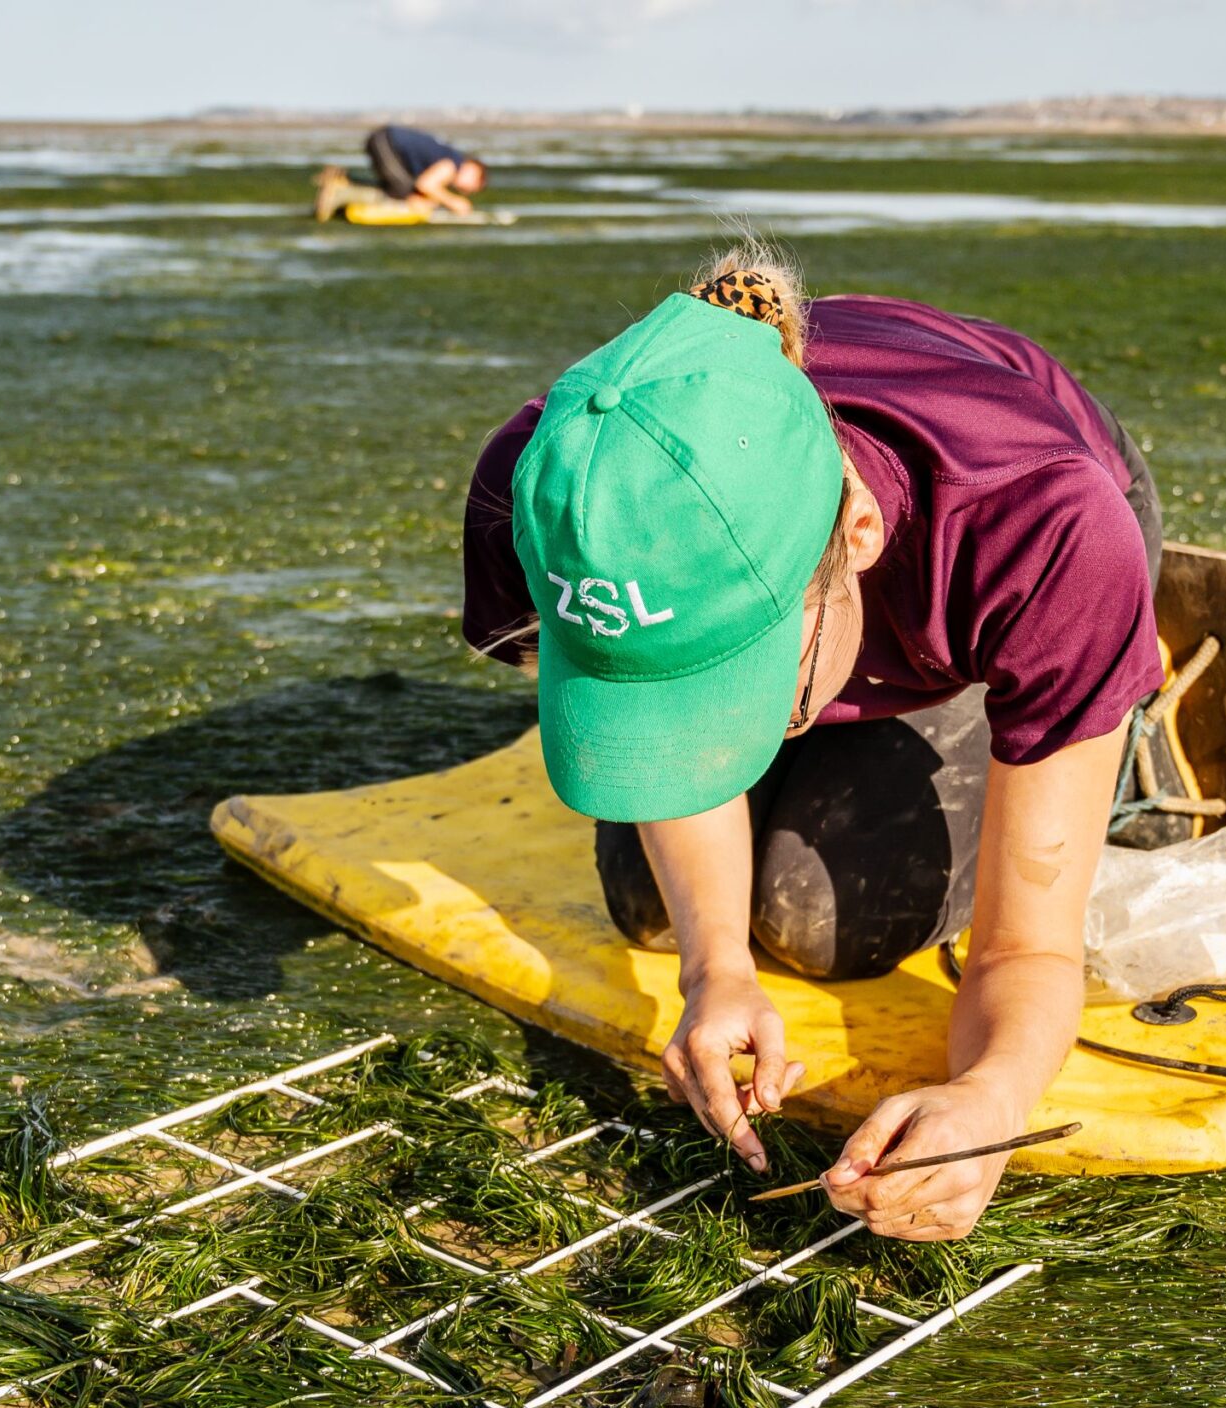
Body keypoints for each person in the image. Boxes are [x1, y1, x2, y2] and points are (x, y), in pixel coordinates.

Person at [459, 245, 1177, 1242]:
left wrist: (993, 1096)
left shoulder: (1042, 524)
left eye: (739, 685)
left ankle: (1060, 700)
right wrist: (715, 974)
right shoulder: (561, 480)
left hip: (1019, 505)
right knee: (649, 908)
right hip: (834, 521)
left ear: (860, 534)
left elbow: (1026, 946)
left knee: (815, 915)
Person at [316, 123, 488, 223]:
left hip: (384, 140)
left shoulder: (449, 157)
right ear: (473, 170)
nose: (465, 191)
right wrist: (454, 202)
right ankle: (340, 193)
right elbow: (425, 184)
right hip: (385, 141)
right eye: (470, 187)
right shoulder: (453, 164)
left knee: (399, 187)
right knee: (402, 190)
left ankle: (344, 180)